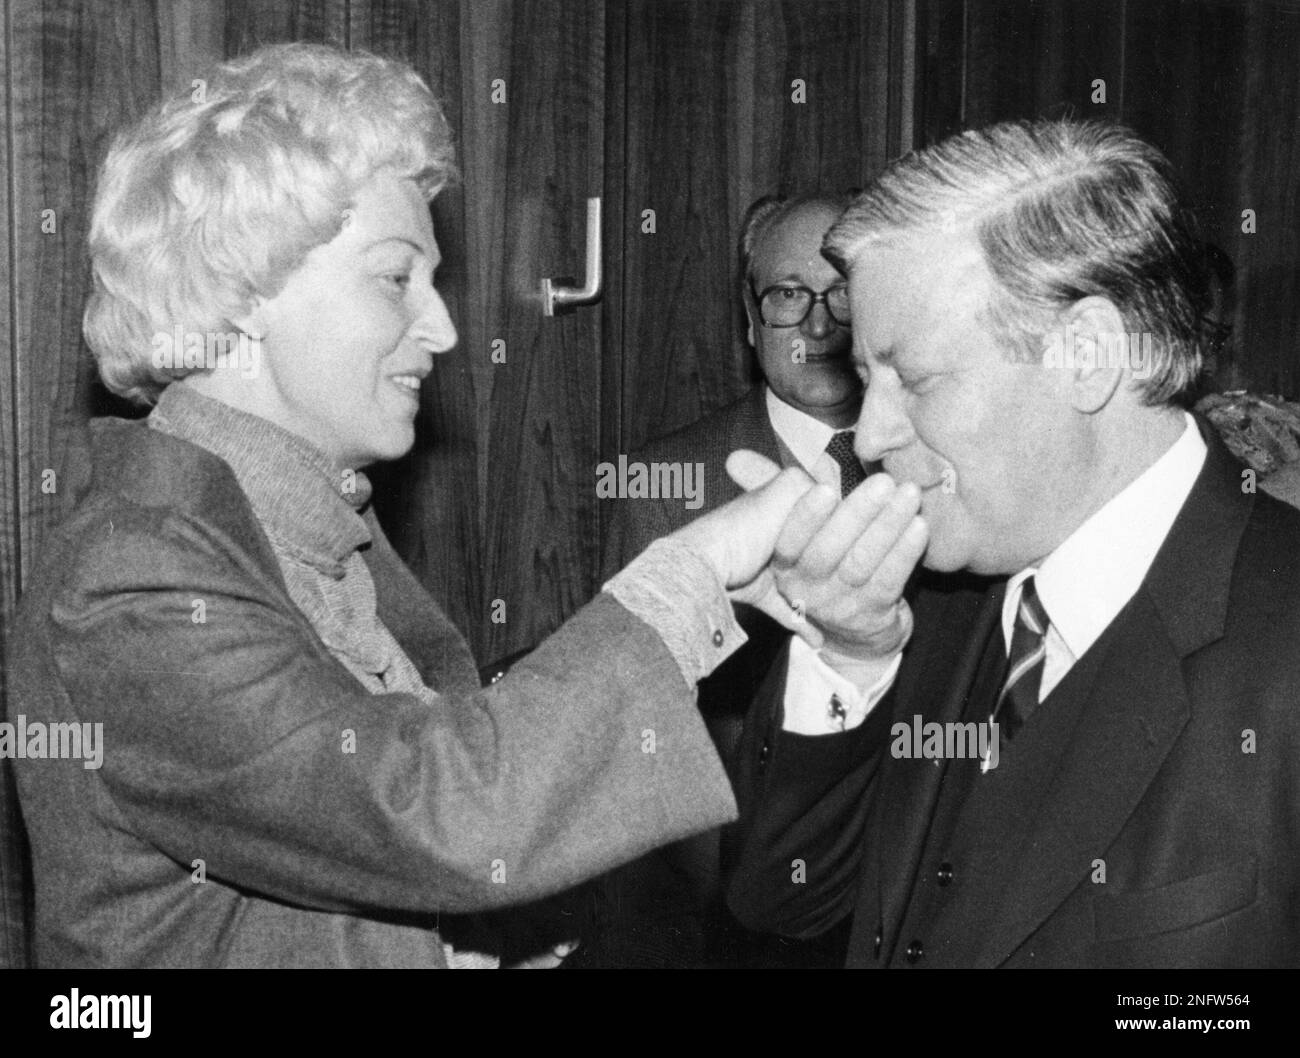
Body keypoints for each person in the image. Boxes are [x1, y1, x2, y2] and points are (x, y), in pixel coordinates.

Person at [5, 42, 825, 969]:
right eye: (397, 277)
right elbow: (436, 808)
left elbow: (324, 856)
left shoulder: (313, 531)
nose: (441, 328)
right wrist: (692, 573)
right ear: (243, 293)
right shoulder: (134, 575)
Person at [724, 119, 1300, 967]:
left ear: (1088, 356)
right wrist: (846, 663)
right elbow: (779, 904)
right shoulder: (915, 583)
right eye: (864, 378)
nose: (871, 435)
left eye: (912, 378)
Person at [588, 193, 867, 967]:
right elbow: (634, 748)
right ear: (750, 319)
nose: (820, 325)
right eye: (787, 294)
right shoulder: (660, 485)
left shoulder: (948, 474)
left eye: (844, 292)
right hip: (724, 920)